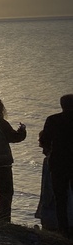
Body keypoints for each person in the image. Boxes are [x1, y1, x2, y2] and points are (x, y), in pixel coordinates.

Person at [39, 94, 73, 236]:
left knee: (60, 197)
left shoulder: (53, 120)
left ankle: (63, 228)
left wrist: (49, 151)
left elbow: (45, 140)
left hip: (58, 162)